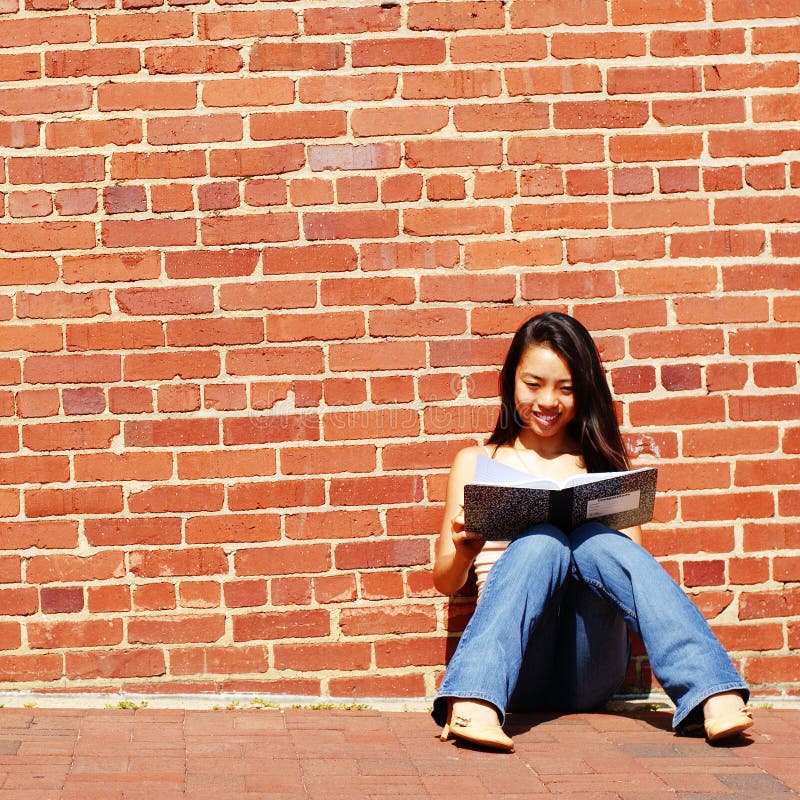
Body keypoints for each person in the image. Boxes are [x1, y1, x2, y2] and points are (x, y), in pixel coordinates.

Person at [432, 312, 752, 752]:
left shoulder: (600, 465)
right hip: (513, 670)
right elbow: (445, 580)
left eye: (566, 388)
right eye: (533, 384)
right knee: (542, 541)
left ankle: (711, 693)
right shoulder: (475, 461)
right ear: (509, 381)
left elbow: (633, 580)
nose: (548, 402)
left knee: (598, 543)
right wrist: (466, 551)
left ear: (584, 391)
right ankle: (473, 701)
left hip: (590, 666)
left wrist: (592, 533)